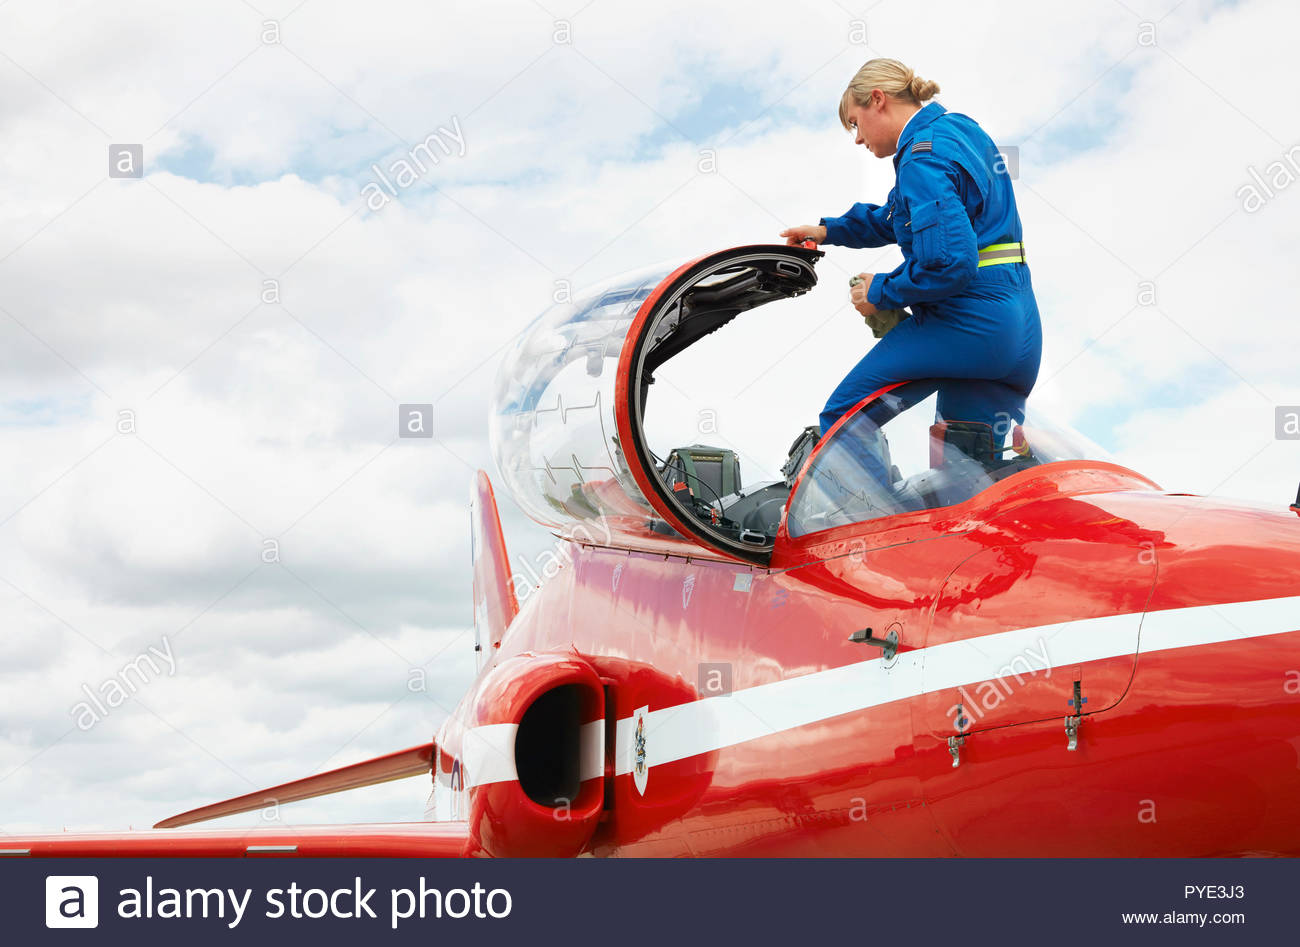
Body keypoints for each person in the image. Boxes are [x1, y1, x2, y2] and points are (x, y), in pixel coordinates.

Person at [781, 58, 1042, 444]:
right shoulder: (958, 130)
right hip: (1020, 333)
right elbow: (897, 217)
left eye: (855, 123)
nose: (856, 138)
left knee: (843, 419)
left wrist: (879, 291)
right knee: (965, 465)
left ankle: (863, 508)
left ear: (877, 99)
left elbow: (949, 263)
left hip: (970, 324)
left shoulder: (922, 158)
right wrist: (827, 231)